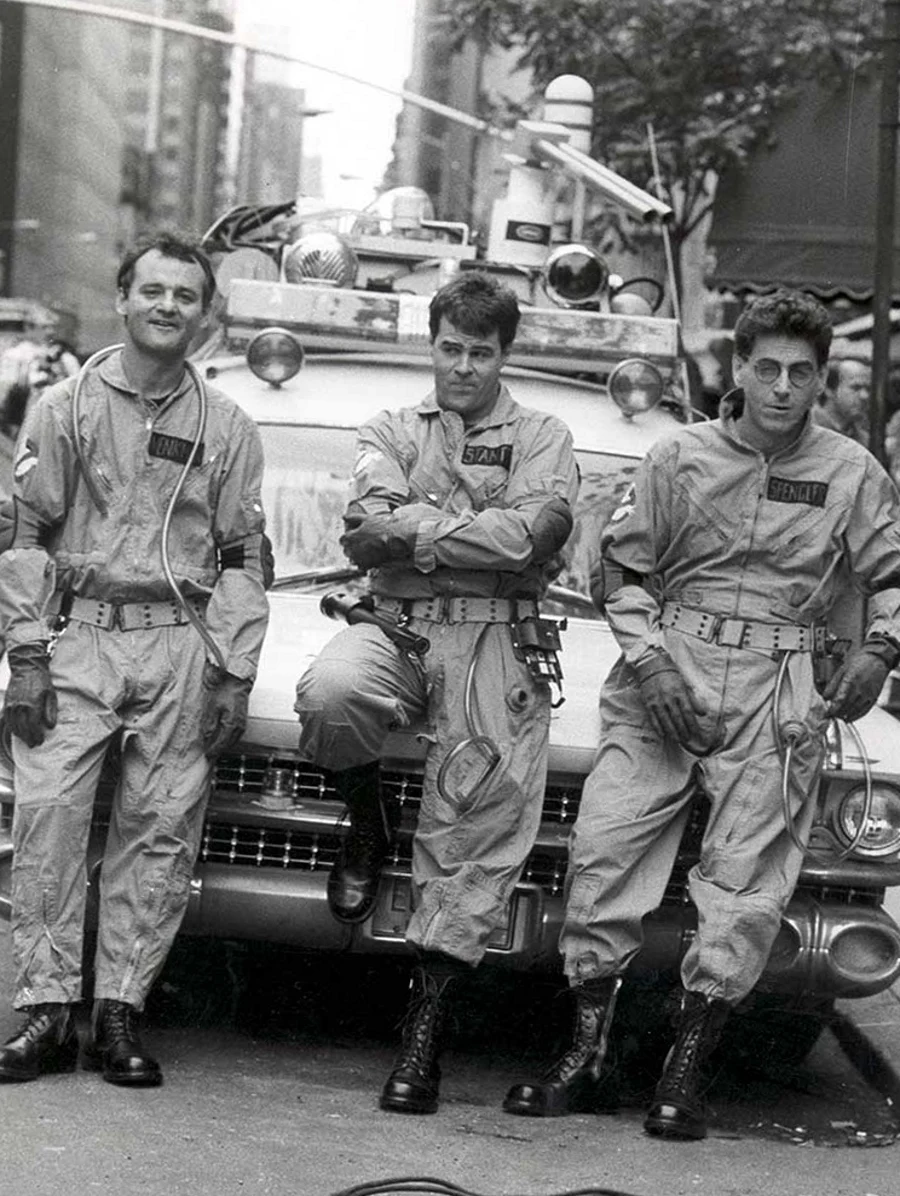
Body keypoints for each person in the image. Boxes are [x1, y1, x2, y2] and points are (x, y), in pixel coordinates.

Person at [504, 289, 900, 1139]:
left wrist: (880, 651)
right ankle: (588, 1055)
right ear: (739, 369)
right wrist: (648, 663)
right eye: (768, 369)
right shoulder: (679, 455)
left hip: (779, 688)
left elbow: (891, 573)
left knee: (746, 885)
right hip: (668, 669)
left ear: (822, 379)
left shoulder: (851, 471)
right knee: (605, 849)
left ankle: (683, 1075)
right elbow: (625, 568)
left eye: (801, 373)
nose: (783, 387)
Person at [294, 271, 579, 1115]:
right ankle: (367, 817)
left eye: (480, 352)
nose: (462, 366)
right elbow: (364, 525)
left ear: (504, 353)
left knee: (474, 818)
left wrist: (419, 528)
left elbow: (535, 537)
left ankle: (424, 1032)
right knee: (330, 692)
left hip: (497, 637)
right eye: (449, 348)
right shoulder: (388, 425)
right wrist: (468, 538)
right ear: (431, 344)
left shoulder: (544, 434)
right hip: (398, 626)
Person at [0, 232, 270, 1087]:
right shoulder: (65, 406)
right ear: (122, 299)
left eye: (184, 296)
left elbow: (241, 558)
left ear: (204, 314)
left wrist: (234, 670)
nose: (166, 307)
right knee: (47, 816)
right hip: (79, 636)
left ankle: (119, 1011)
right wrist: (27, 655)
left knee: (159, 830)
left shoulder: (226, 427)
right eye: (151, 291)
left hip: (178, 644)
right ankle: (43, 1012)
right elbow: (24, 534)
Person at [811, 355, 870, 443]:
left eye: (868, 389)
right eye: (856, 388)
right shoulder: (803, 431)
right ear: (829, 389)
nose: (865, 396)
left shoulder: (864, 440)